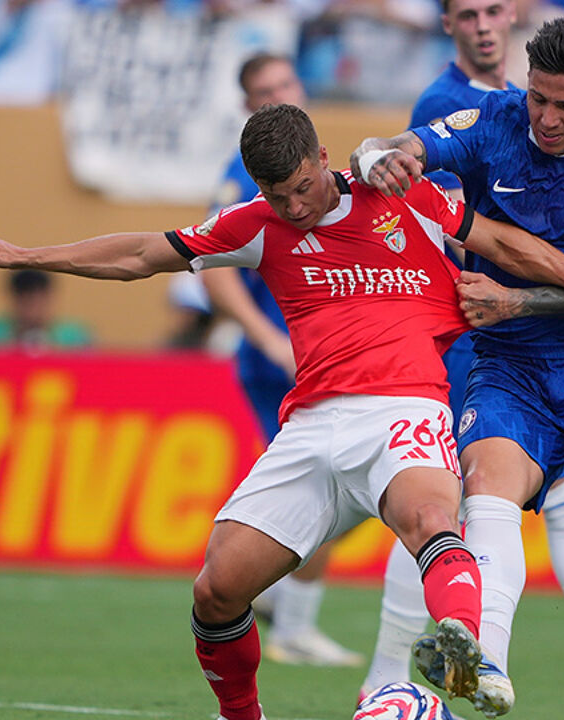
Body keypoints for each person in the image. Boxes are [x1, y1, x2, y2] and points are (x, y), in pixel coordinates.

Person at [0, 103, 564, 720]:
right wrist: (23, 256)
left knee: (431, 519)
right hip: (311, 427)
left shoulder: (404, 197)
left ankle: (473, 656)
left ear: (323, 161)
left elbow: (501, 242)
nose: (295, 207)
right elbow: (140, 253)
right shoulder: (257, 225)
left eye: (303, 188)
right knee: (217, 591)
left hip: (402, 404)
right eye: (278, 196)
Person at [351, 17, 564, 720]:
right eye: (539, 98)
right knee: (486, 492)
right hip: (509, 363)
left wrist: (513, 299)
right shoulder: (493, 119)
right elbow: (408, 146)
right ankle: (483, 670)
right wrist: (377, 154)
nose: (545, 117)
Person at [206, 52, 363, 668]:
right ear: (247, 106)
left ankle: (275, 585)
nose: (275, 94)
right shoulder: (244, 177)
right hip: (282, 364)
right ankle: (289, 619)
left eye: (284, 84)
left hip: (323, 358)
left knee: (350, 490)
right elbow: (210, 273)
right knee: (328, 490)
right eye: (262, 90)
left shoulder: (314, 168)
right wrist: (268, 341)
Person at [0, 269, 93, 349]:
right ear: (14, 299)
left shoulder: (74, 337)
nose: (33, 308)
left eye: (38, 300)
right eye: (26, 301)